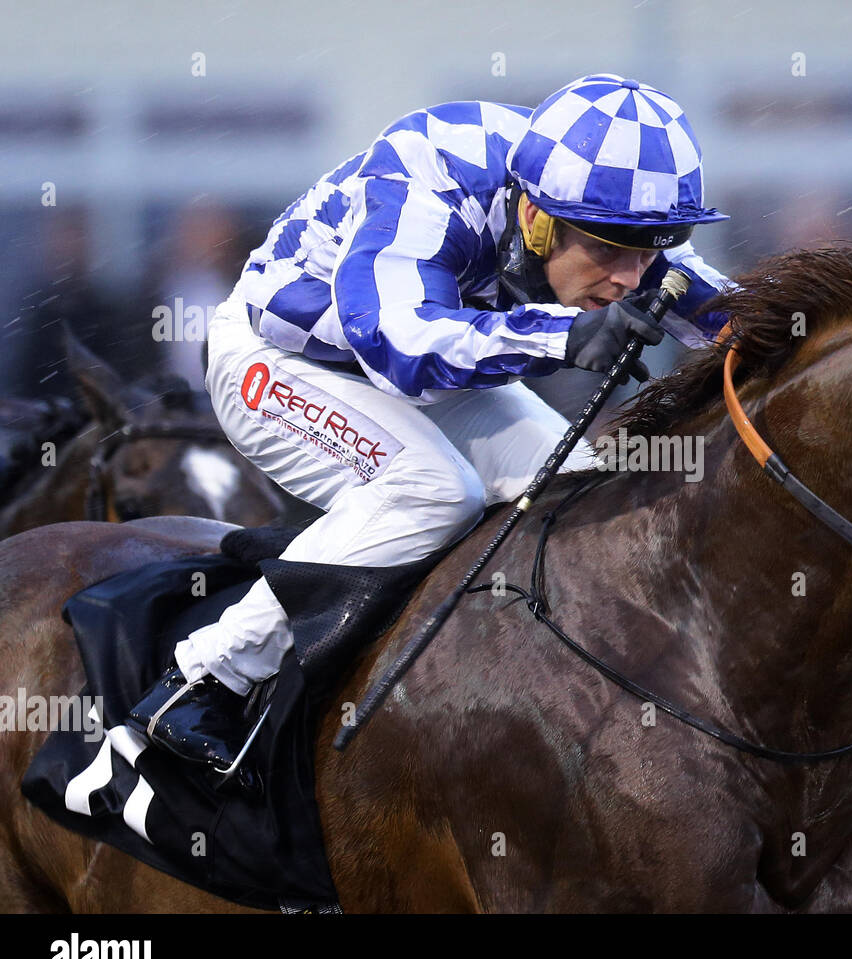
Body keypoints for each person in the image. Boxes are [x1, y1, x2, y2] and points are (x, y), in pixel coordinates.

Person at [126, 73, 732, 771]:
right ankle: (204, 679)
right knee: (437, 489)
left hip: (415, 364)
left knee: (581, 492)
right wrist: (562, 336)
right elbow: (399, 347)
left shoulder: (599, 207)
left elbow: (730, 313)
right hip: (281, 360)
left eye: (651, 248)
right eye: (607, 250)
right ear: (536, 216)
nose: (631, 277)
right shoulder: (430, 169)